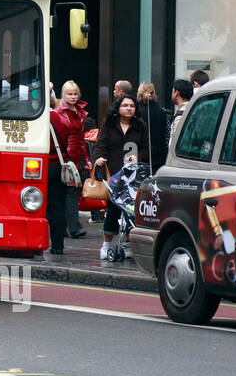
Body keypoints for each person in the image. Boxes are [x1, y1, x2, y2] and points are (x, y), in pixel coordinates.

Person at [93, 94, 151, 261]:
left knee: (131, 212)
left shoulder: (141, 126)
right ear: (118, 108)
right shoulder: (109, 124)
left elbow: (148, 149)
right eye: (125, 105)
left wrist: (139, 157)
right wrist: (99, 158)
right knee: (113, 210)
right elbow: (100, 144)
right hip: (114, 175)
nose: (129, 108)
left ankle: (127, 244)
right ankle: (106, 246)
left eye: (132, 106)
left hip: (133, 177)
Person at [47, 80, 89, 255]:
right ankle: (58, 245)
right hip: (66, 164)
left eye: (75, 93)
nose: (73, 97)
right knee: (62, 203)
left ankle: (47, 243)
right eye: (69, 94)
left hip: (49, 165)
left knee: (49, 205)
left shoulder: (50, 118)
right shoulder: (64, 118)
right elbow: (76, 140)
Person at [137, 81, 168, 172]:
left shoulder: (135, 111)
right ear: (153, 93)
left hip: (141, 153)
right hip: (159, 154)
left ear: (139, 93)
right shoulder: (161, 110)